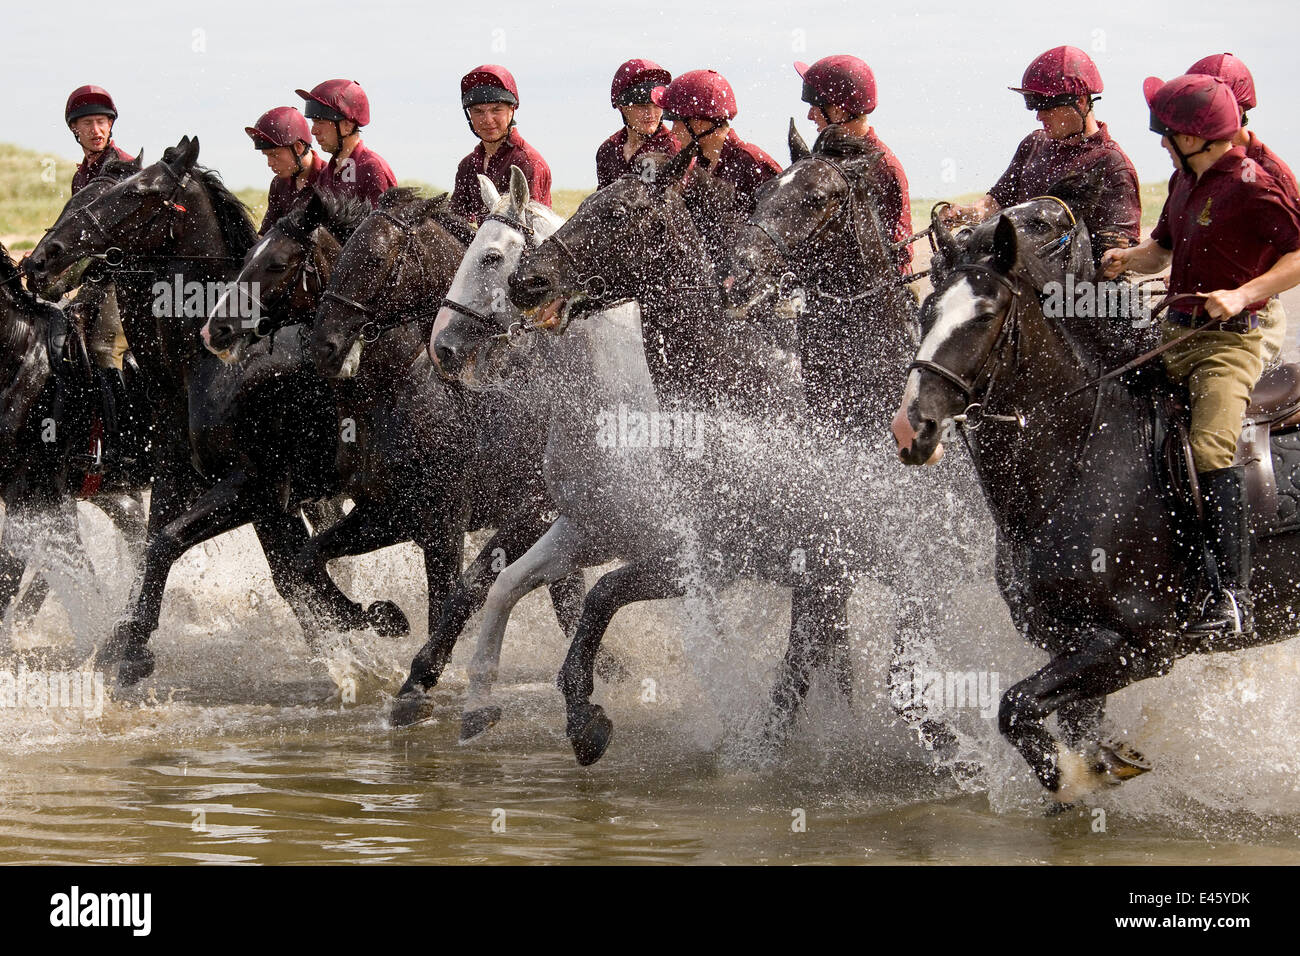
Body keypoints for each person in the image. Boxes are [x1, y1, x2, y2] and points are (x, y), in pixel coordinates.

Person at [1100, 73, 1300, 639]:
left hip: (1229, 346)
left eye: (1169, 133)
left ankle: (1228, 598)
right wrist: (1125, 259)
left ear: (1199, 136)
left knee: (1211, 448)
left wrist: (1240, 293)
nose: (1161, 140)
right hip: (1177, 333)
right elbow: (1161, 249)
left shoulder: (1255, 185)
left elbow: (1297, 255)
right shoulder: (1184, 179)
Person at [941, 46, 1140, 263]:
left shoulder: (1111, 164)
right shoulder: (1033, 144)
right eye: (1032, 105)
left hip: (1069, 290)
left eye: (1046, 106)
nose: (1038, 116)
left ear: (1081, 101)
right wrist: (966, 213)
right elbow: (994, 203)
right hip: (1015, 280)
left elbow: (1118, 260)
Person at [1187, 52, 1297, 366]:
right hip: (1195, 315)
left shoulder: (1270, 175)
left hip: (1254, 322)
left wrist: (1242, 295)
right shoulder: (1191, 166)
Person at [796, 54, 912, 273]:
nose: (810, 116)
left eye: (815, 106)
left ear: (838, 111)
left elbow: (899, 255)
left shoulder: (884, 169)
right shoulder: (824, 158)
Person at [652, 69, 781, 213]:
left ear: (699, 123)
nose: (674, 131)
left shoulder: (753, 164)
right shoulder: (700, 165)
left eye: (676, 122)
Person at [449, 64, 552, 222]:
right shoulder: (468, 165)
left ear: (512, 111)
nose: (488, 120)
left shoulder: (528, 162)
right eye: (478, 111)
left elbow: (530, 231)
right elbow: (453, 223)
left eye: (496, 110)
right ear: (469, 115)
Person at [296, 79, 396, 207]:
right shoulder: (326, 174)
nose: (313, 131)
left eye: (320, 122)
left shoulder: (373, 168)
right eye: (313, 123)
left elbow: (384, 225)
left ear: (347, 125)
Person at [596, 58, 679, 188]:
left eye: (657, 105)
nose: (650, 114)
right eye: (641, 106)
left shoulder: (672, 148)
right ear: (621, 107)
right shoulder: (608, 150)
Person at [246, 106, 322, 234]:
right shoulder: (278, 184)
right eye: (266, 156)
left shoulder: (330, 179)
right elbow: (265, 235)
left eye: (274, 155)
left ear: (298, 147)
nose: (269, 163)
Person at [66, 85, 135, 196]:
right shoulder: (79, 177)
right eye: (87, 123)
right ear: (74, 128)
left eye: (100, 122)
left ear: (110, 124)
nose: (95, 130)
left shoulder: (127, 168)